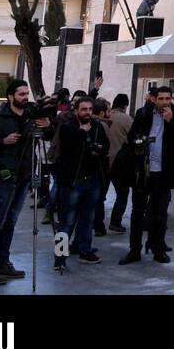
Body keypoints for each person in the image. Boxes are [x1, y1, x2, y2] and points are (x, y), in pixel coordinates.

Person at [0, 80, 51, 286]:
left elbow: (51, 136)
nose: (25, 97)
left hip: (25, 176)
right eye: (21, 94)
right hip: (5, 176)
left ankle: (3, 262)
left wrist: (48, 125)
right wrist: (3, 142)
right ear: (10, 96)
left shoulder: (31, 116)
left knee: (11, 221)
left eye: (27, 93)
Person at [119, 86, 174, 265]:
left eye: (168, 99)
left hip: (163, 172)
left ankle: (158, 248)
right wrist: (140, 142)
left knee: (160, 213)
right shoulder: (143, 114)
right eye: (161, 99)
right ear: (154, 99)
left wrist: (171, 122)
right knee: (138, 212)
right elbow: (132, 136)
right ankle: (134, 250)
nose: (165, 102)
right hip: (144, 170)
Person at [52, 95, 108, 270]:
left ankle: (84, 249)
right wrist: (82, 133)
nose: (88, 113)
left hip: (92, 179)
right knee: (66, 220)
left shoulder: (97, 126)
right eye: (84, 109)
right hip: (72, 181)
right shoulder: (68, 127)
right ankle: (59, 256)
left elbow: (106, 146)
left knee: (87, 219)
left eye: (90, 109)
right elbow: (68, 148)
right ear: (76, 110)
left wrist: (98, 149)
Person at [98, 93, 133, 234]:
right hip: (119, 163)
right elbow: (132, 139)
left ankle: (98, 225)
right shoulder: (127, 119)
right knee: (123, 193)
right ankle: (115, 222)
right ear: (125, 106)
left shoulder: (106, 117)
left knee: (100, 195)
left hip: (103, 161)